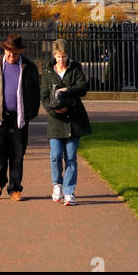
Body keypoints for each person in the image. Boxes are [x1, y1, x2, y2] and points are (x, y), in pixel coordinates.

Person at [0, 34, 41, 200]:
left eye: (14, 53)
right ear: (4, 49)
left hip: (19, 118)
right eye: (9, 52)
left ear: (20, 52)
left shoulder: (29, 68)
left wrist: (30, 113)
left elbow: (36, 92)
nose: (11, 55)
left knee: (17, 153)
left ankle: (15, 188)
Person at [41, 38, 90, 206]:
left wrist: (67, 91)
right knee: (55, 156)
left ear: (67, 55)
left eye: (63, 56)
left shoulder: (75, 68)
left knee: (70, 157)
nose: (61, 60)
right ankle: (57, 185)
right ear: (53, 56)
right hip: (55, 120)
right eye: (58, 56)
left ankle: (69, 192)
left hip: (74, 118)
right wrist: (53, 110)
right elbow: (44, 96)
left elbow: (83, 88)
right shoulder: (48, 71)